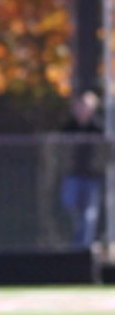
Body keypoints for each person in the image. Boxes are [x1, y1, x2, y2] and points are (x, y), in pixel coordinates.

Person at [58, 90, 105, 248]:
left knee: (89, 213)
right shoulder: (68, 126)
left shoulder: (98, 128)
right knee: (70, 205)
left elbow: (103, 152)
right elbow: (60, 149)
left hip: (91, 176)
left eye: (85, 106)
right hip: (72, 174)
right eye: (80, 106)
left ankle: (84, 246)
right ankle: (75, 241)